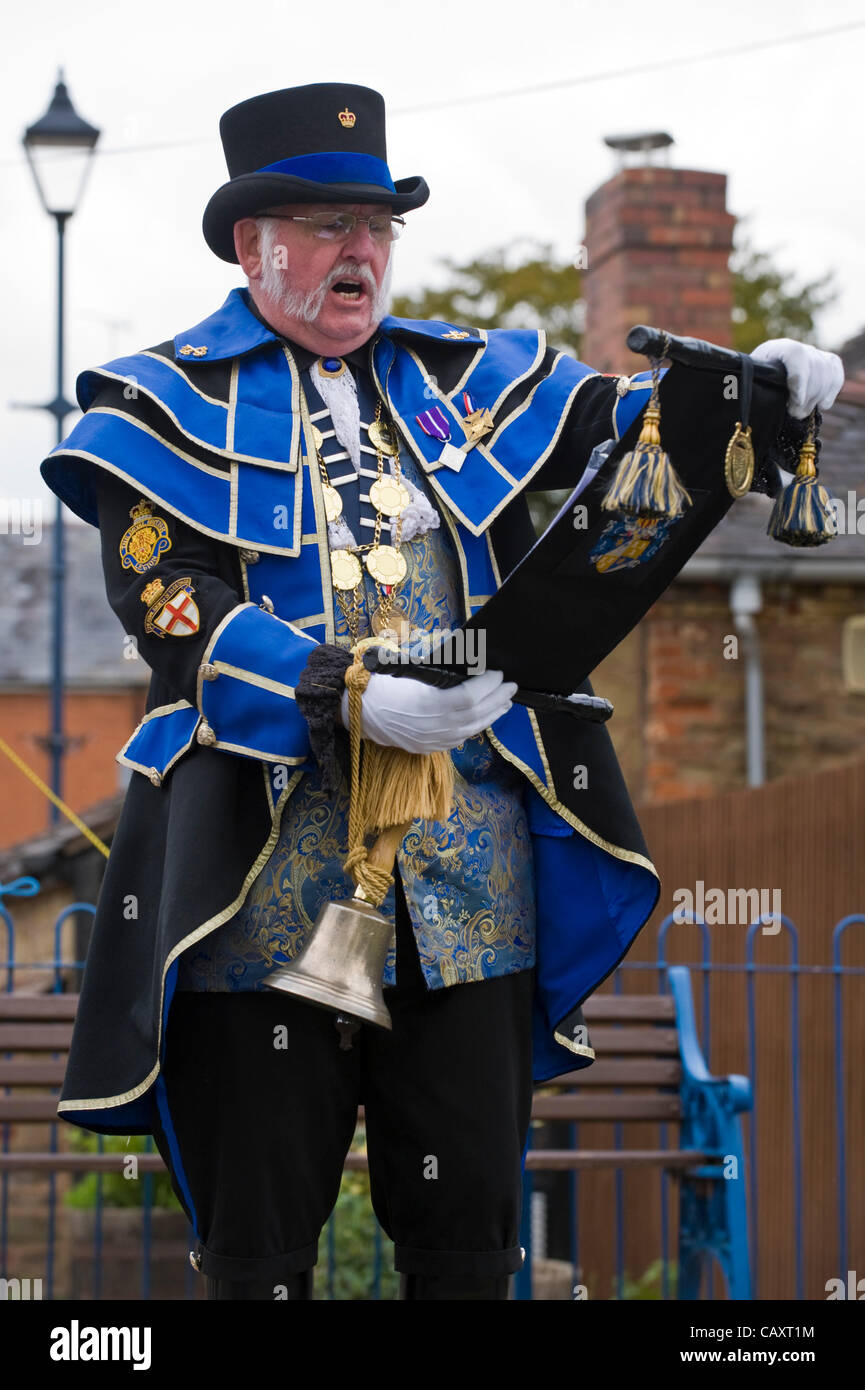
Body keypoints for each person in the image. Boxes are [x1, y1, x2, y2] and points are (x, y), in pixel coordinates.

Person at [41, 82, 843, 1302]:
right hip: (259, 896)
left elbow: (626, 441)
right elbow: (172, 610)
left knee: (468, 1240)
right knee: (257, 1250)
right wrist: (339, 690)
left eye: (376, 226)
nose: (357, 251)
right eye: (322, 224)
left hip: (469, 884)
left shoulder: (472, 379)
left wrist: (754, 390)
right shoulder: (159, 403)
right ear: (252, 246)